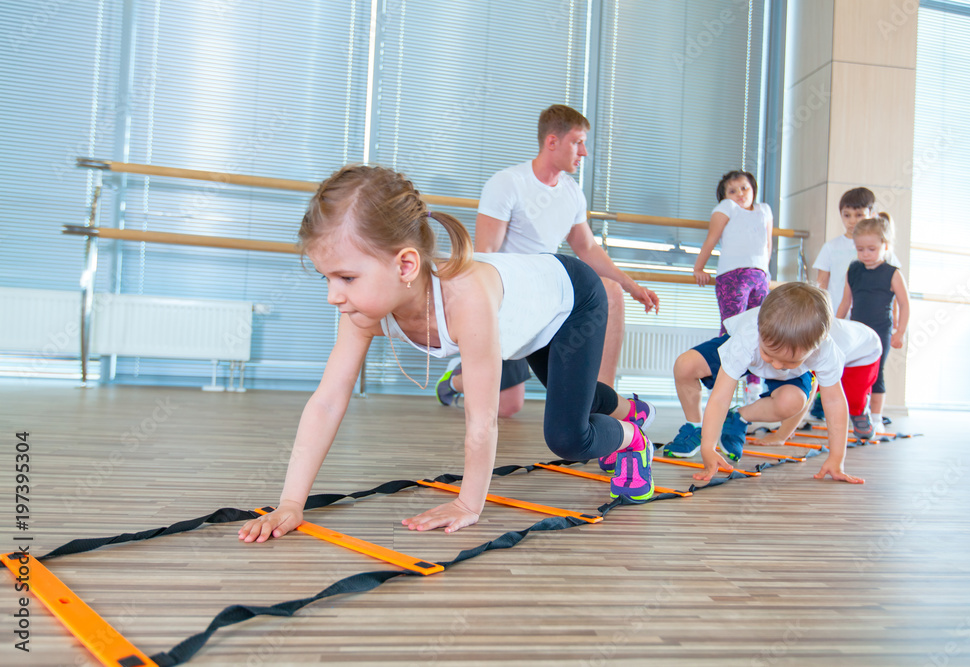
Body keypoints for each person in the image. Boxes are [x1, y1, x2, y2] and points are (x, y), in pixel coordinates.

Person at [238, 165, 657, 543]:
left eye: (345, 277)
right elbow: (328, 400)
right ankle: (631, 409)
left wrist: (468, 503)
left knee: (568, 435)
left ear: (405, 266)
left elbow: (482, 419)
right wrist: (291, 502)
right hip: (526, 315)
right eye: (326, 277)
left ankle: (633, 439)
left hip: (573, 299)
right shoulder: (362, 308)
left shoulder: (465, 300)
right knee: (573, 396)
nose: (333, 296)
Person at [435, 104, 659, 417]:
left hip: (547, 296)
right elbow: (486, 255)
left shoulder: (572, 193)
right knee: (509, 406)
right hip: (508, 297)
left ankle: (605, 407)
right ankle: (456, 379)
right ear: (552, 141)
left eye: (584, 143)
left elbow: (588, 249)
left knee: (611, 291)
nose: (583, 152)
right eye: (577, 142)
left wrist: (631, 285)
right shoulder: (507, 183)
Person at [664, 283, 865, 484]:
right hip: (751, 353)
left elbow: (835, 402)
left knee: (793, 402)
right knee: (685, 365)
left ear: (814, 348)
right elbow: (720, 397)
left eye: (789, 360)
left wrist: (837, 458)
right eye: (770, 355)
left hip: (789, 371)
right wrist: (708, 447)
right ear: (760, 329)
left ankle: (738, 418)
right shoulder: (748, 338)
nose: (777, 365)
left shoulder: (825, 350)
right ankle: (696, 427)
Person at [811, 187, 899, 421]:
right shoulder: (832, 247)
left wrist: (898, 324)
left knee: (866, 368)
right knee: (832, 362)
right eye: (847, 215)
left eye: (859, 215)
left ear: (871, 213)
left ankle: (865, 411)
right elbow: (822, 282)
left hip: (871, 320)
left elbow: (896, 290)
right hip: (839, 316)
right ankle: (824, 405)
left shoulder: (883, 250)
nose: (852, 221)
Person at [692, 170, 773, 401]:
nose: (740, 194)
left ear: (753, 189)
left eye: (745, 188)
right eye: (732, 190)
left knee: (760, 329)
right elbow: (711, 238)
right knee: (731, 329)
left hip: (759, 276)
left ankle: (754, 388)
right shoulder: (727, 208)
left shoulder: (764, 210)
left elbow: (768, 244)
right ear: (725, 196)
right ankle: (720, 384)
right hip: (733, 276)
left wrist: (766, 272)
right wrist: (699, 268)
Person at [753, 318, 883, 443]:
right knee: (803, 386)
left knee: (853, 396)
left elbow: (809, 392)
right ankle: (815, 406)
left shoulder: (822, 349)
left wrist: (782, 435)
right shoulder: (797, 336)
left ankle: (861, 411)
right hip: (841, 348)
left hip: (864, 351)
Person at [837, 213, 910, 435]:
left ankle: (876, 417)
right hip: (856, 332)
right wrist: (836, 327)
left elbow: (905, 304)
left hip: (880, 333)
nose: (865, 254)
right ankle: (860, 413)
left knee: (877, 374)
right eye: (860, 249)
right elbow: (845, 302)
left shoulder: (892, 273)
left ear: (884, 245)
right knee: (853, 373)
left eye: (871, 249)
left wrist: (900, 332)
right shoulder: (854, 270)